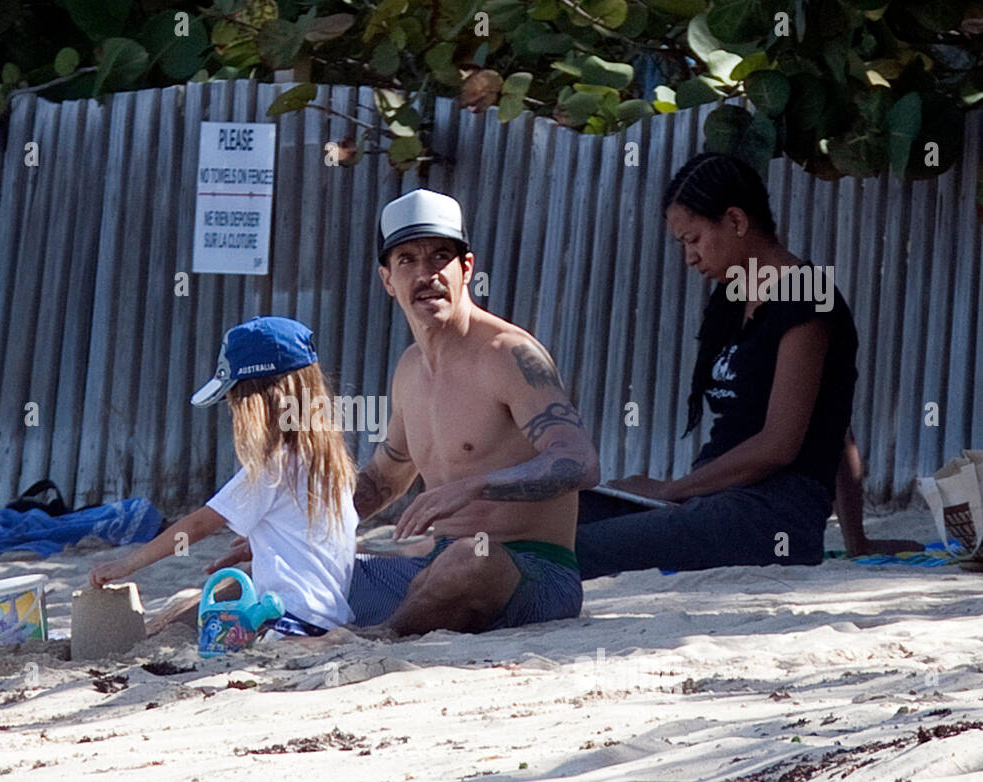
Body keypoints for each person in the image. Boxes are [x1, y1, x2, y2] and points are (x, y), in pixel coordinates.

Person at [575, 152, 904, 577]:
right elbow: (835, 423)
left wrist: (670, 490)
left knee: (579, 548)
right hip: (714, 501)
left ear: (735, 220)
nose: (689, 257)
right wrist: (857, 539)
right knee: (561, 513)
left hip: (773, 516)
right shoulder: (733, 298)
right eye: (682, 245)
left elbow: (779, 445)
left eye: (693, 239)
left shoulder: (808, 297)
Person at [340, 189, 598, 635]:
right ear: (387, 279)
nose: (427, 275)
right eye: (408, 261)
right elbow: (384, 478)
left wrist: (477, 486)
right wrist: (298, 535)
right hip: (437, 569)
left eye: (440, 257)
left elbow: (580, 462)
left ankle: (380, 637)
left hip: (533, 574)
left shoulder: (510, 354)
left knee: (468, 558)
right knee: (290, 572)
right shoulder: (409, 369)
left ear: (466, 269)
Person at [89, 316, 358, 638]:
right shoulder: (327, 462)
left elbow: (199, 525)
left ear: (257, 403)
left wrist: (128, 564)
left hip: (287, 622)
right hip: (329, 618)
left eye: (234, 401)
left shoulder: (273, 467)